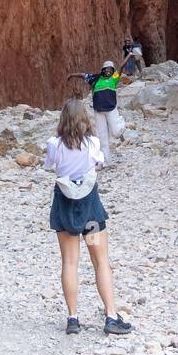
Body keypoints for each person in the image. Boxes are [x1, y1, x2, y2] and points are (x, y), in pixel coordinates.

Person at [43, 99, 132, 337]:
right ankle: (111, 316)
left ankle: (73, 319)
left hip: (64, 207)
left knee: (69, 262)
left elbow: (48, 166)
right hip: (90, 211)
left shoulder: (54, 144)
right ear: (85, 119)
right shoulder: (92, 142)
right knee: (101, 261)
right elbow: (100, 162)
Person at [82, 58, 128, 165]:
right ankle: (106, 162)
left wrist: (129, 55)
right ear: (103, 69)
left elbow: (121, 66)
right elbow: (83, 75)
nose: (108, 71)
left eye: (110, 69)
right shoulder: (95, 78)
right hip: (98, 111)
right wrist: (71, 76)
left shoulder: (114, 78)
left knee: (116, 132)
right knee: (102, 138)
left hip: (111, 109)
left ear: (112, 70)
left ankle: (121, 121)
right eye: (106, 69)